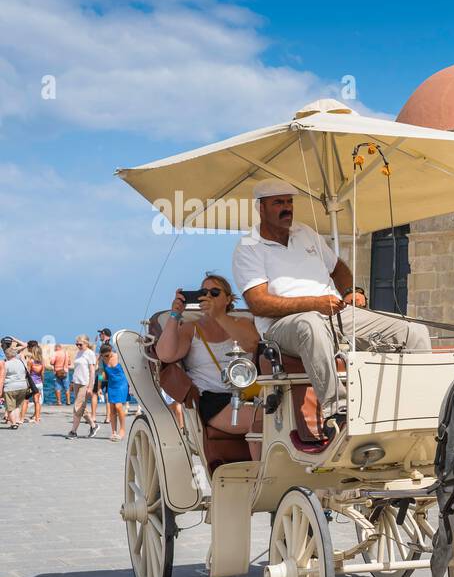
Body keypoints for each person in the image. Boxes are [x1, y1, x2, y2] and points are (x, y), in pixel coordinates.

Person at [232, 179, 429, 439]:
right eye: (278, 202)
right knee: (310, 324)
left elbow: (338, 269)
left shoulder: (305, 232)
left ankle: (423, 406)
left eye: (289, 202)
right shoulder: (248, 247)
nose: (286, 208)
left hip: (335, 314)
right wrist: (314, 304)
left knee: (413, 331)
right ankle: (338, 410)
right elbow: (258, 303)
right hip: (283, 326)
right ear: (261, 208)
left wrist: (351, 291)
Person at [155, 274, 260, 436]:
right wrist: (175, 315)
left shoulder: (242, 323)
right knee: (260, 420)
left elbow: (251, 344)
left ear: (228, 299)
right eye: (204, 293)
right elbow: (165, 355)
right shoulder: (191, 328)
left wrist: (218, 315)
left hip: (248, 394)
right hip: (212, 399)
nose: (208, 296)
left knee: (269, 417)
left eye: (215, 293)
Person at [66, 335, 99, 438]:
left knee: (77, 407)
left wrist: (90, 386)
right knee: (81, 408)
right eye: (77, 344)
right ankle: (94, 426)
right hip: (77, 382)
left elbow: (92, 371)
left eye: (80, 344)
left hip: (85, 383)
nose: (78, 346)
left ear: (86, 343)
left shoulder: (90, 354)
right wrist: (72, 382)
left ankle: (73, 432)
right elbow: (76, 369)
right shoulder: (79, 353)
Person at [98, 343, 129, 441]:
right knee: (112, 409)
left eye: (108, 355)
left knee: (118, 406)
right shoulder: (102, 360)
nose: (107, 357)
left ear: (112, 350)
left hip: (122, 383)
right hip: (111, 385)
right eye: (104, 356)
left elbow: (129, 370)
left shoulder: (119, 356)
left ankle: (122, 430)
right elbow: (101, 375)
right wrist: (99, 388)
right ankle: (113, 432)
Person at [3, 340, 28, 429]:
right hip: (22, 386)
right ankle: (16, 421)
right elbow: (26, 372)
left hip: (10, 387)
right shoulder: (21, 362)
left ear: (7, 355)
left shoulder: (6, 364)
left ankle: (13, 423)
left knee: (10, 407)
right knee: (17, 406)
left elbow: (3, 376)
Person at [21, 340, 43, 424]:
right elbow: (42, 374)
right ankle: (37, 418)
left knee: (26, 400)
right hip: (39, 383)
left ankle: (22, 418)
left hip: (32, 383)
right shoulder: (41, 362)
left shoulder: (30, 361)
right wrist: (41, 383)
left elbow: (28, 373)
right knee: (37, 401)